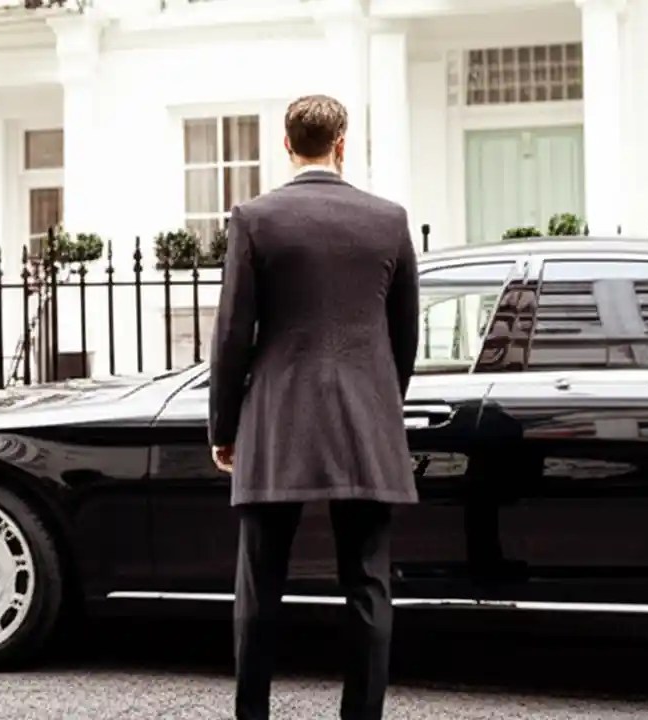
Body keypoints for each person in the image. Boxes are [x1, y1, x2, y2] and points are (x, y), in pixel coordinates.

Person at [208, 94, 420, 720]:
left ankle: (253, 714)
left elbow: (231, 335)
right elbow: (403, 335)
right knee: (368, 583)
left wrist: (225, 426)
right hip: (366, 417)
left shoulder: (255, 217)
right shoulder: (389, 219)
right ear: (342, 142)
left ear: (286, 144)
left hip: (278, 418)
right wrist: (381, 402)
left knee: (259, 586)